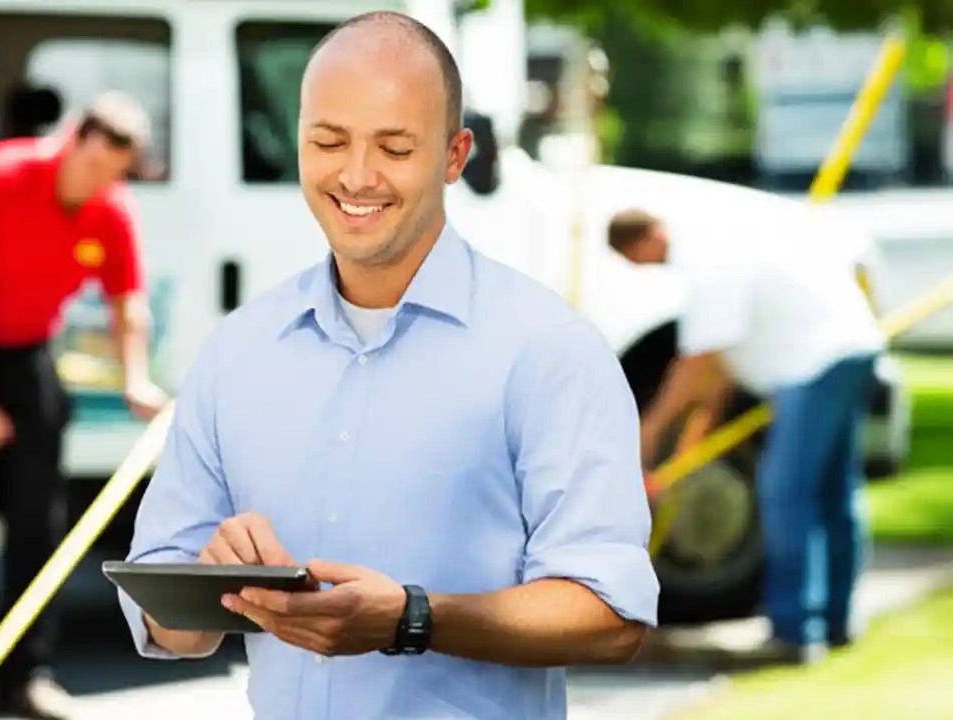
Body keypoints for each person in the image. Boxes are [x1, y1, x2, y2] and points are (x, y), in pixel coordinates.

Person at [117, 12, 658, 719]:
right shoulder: (238, 351)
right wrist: (212, 583)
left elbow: (612, 616)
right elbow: (168, 623)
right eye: (328, 142)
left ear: (455, 156)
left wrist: (412, 618)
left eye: (395, 148)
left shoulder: (549, 349)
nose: (356, 175)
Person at [0, 91, 169, 719]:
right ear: (72, 138)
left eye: (115, 174)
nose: (101, 184)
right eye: (95, 167)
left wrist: (136, 378)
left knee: (37, 525)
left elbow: (128, 304)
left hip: (27, 355)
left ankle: (28, 676)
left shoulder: (111, 208)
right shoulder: (2, 175)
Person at [607, 206, 884, 662]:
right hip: (854, 350)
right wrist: (690, 446)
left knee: (787, 494)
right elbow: (720, 375)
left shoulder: (706, 263)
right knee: (833, 491)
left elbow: (698, 364)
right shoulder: (730, 243)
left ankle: (796, 633)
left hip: (814, 367)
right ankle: (837, 623)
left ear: (646, 239)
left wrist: (649, 432)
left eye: (634, 259)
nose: (642, 268)